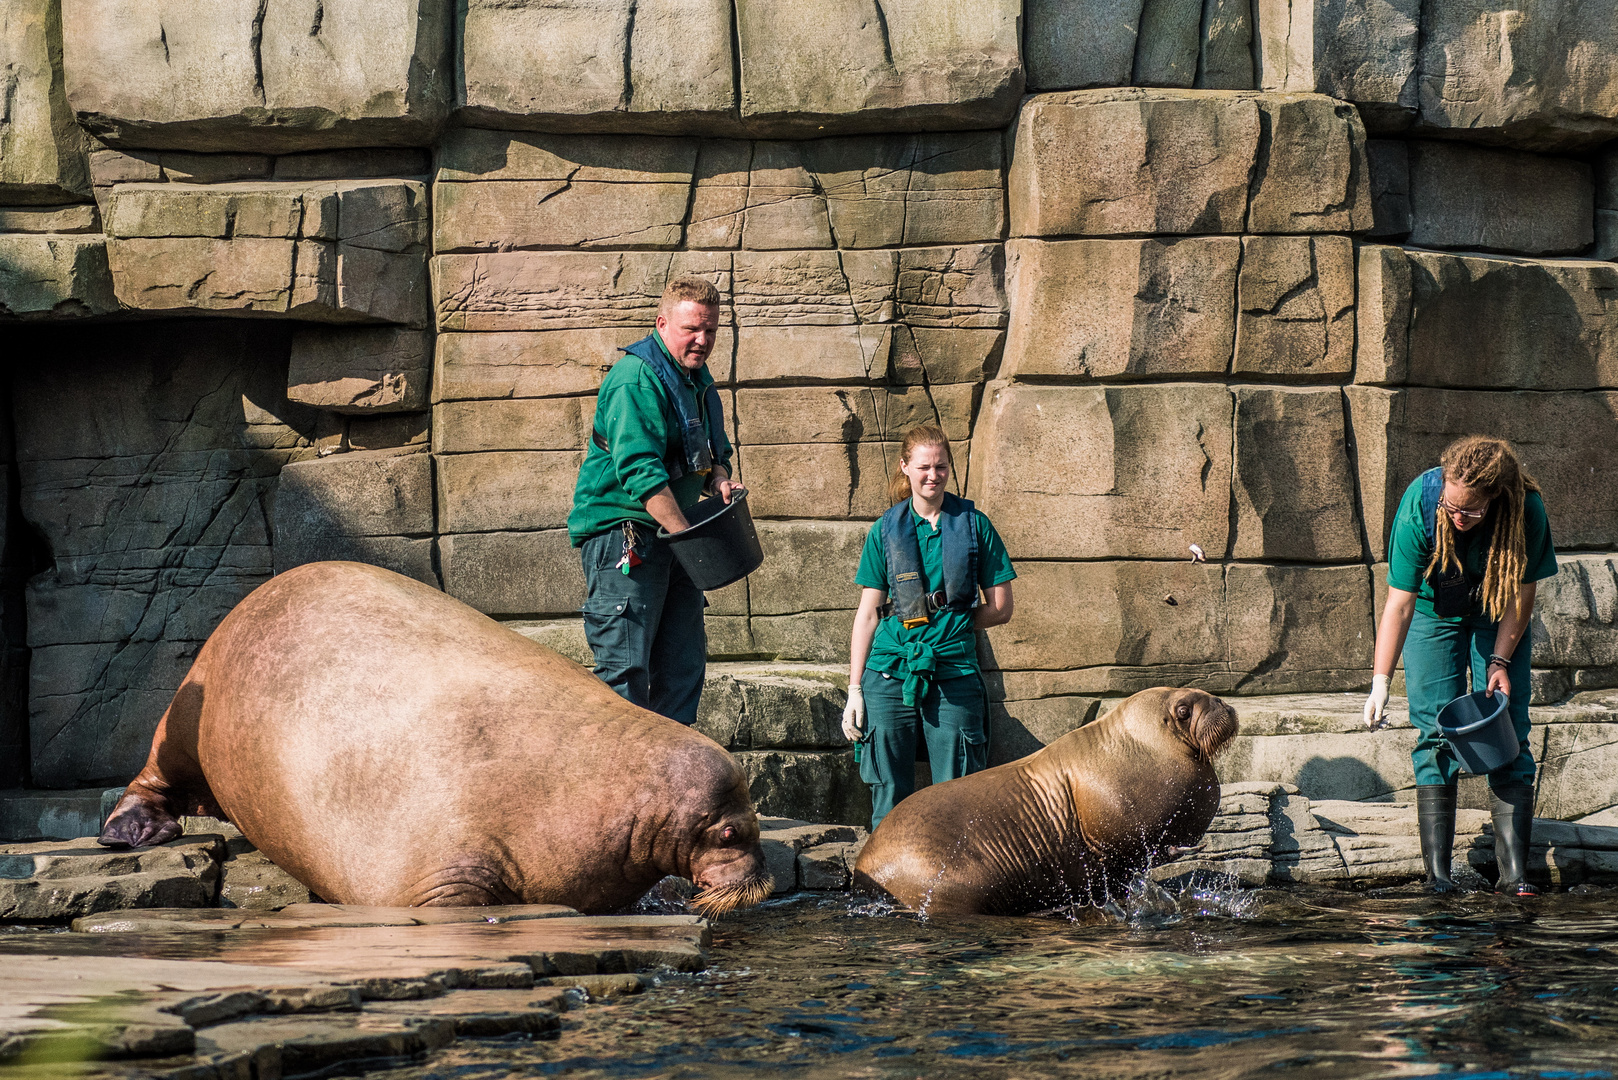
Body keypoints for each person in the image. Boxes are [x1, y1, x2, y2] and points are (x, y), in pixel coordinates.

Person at [1363, 436, 1557, 896]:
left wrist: (1499, 660)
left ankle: (1514, 878)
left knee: (1507, 723)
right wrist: (1380, 682)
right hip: (1434, 609)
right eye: (1451, 506)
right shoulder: (1421, 503)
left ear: (1494, 499)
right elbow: (1399, 604)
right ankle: (1440, 878)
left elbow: (1523, 592)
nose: (1456, 516)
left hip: (1499, 603)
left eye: (1468, 511)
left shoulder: (1525, 509)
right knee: (1434, 730)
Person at [567, 277, 742, 726]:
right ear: (662, 324)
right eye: (691, 329)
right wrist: (691, 539)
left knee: (683, 670)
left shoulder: (697, 381)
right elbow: (641, 473)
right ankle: (618, 787)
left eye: (711, 331)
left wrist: (719, 479)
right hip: (626, 536)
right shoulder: (636, 378)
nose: (702, 341)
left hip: (674, 534)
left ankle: (671, 786)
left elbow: (712, 454)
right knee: (625, 674)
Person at [840, 425, 1017, 831]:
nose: (932, 475)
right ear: (905, 468)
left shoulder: (975, 526)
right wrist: (854, 690)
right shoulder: (885, 529)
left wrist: (953, 626)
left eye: (940, 466)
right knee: (888, 791)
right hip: (888, 671)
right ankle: (884, 883)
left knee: (957, 795)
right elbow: (868, 614)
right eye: (923, 467)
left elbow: (1001, 608)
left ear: (950, 469)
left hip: (953, 671)